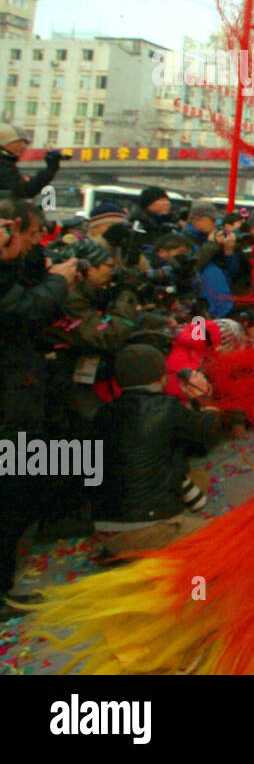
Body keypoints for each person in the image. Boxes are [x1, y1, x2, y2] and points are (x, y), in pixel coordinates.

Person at [0, 199, 81, 615]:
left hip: (19, 398)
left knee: (21, 489)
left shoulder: (14, 266)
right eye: (29, 235)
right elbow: (20, 310)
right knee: (11, 493)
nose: (34, 244)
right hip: (9, 408)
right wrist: (57, 283)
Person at [92, 344, 222, 558]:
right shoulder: (166, 407)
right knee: (230, 539)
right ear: (161, 376)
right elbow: (208, 432)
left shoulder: (103, 412)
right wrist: (203, 396)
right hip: (146, 529)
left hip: (104, 528)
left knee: (200, 478)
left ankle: (126, 550)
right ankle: (145, 552)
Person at [50, 239, 140, 425]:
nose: (113, 272)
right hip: (59, 380)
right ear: (89, 268)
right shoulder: (69, 298)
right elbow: (107, 334)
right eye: (109, 265)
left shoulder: (84, 294)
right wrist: (126, 295)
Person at [182, 201, 243, 318]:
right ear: (197, 219)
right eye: (212, 220)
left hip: (222, 302)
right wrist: (211, 244)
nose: (215, 224)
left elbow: (232, 272)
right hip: (202, 307)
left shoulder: (213, 238)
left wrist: (228, 251)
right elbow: (193, 266)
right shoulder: (184, 240)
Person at [0, 123, 62, 201]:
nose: (23, 146)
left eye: (26, 143)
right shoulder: (3, 166)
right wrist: (50, 169)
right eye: (17, 142)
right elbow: (24, 191)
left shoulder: (7, 163)